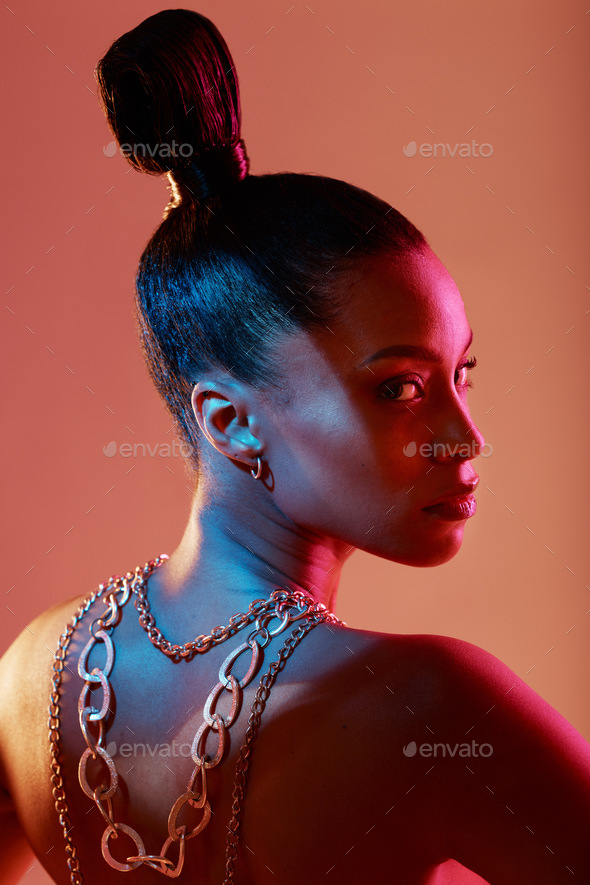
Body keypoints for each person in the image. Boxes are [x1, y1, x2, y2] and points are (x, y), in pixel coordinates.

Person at [0, 8, 588, 884]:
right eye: (399, 388)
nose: (464, 439)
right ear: (231, 422)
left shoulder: (31, 673)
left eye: (462, 376)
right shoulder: (433, 704)